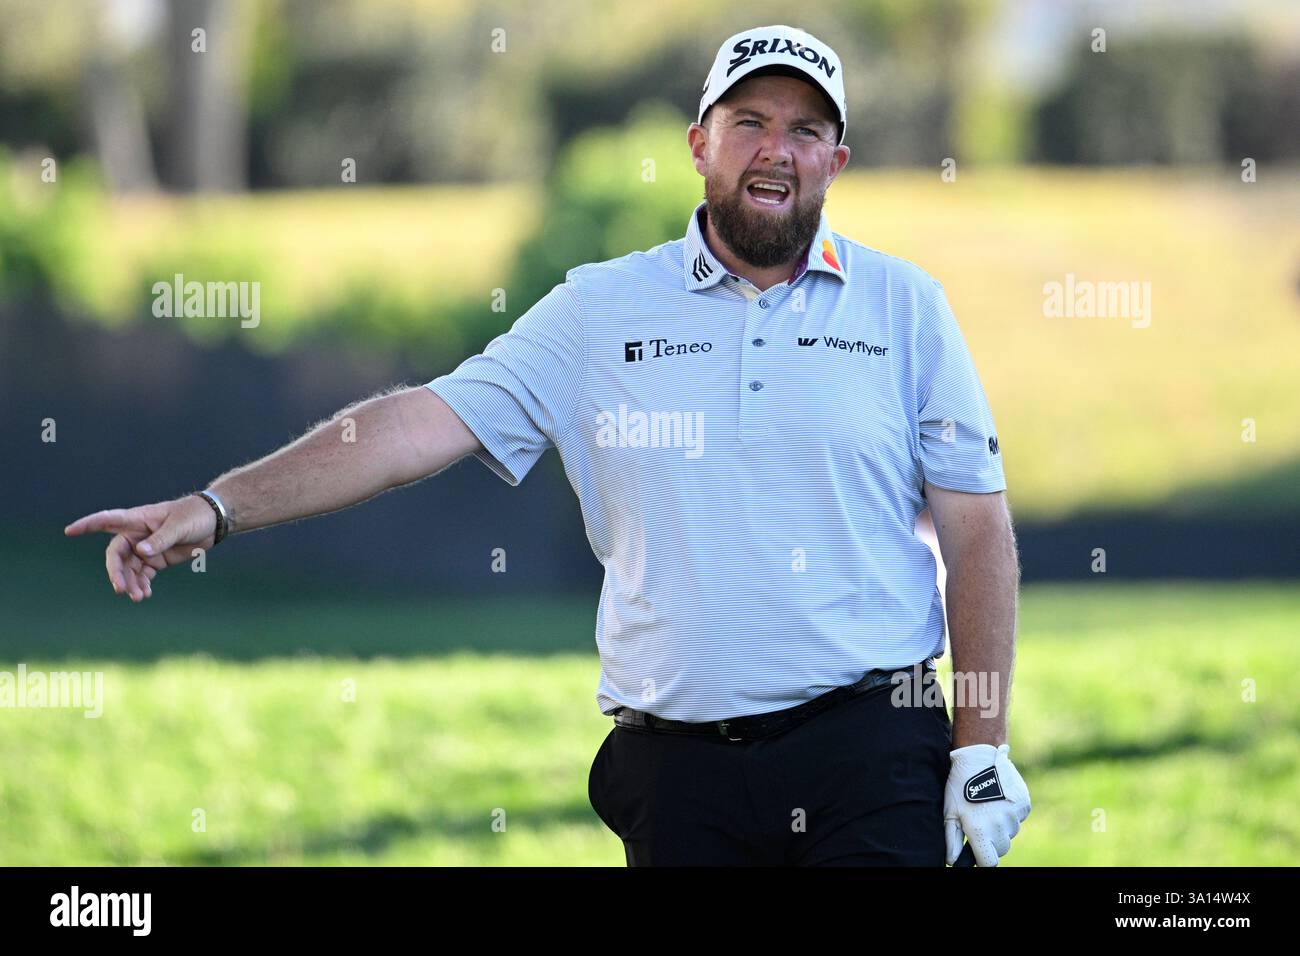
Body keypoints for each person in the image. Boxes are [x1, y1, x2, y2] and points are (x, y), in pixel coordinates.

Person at [65, 23, 1030, 867]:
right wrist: (220, 507)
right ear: (699, 146)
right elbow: (412, 425)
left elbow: (977, 533)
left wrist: (980, 746)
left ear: (837, 161)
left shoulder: (907, 308)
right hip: (681, 771)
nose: (775, 151)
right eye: (750, 123)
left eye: (806, 130)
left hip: (872, 748)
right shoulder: (597, 309)